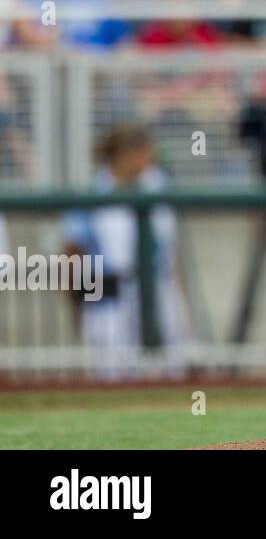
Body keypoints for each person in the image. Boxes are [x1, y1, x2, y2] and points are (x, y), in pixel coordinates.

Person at [61, 124, 190, 380]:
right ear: (124, 154)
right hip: (111, 295)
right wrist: (76, 304)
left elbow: (169, 251)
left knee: (169, 368)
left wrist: (181, 300)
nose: (148, 160)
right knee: (112, 374)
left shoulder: (159, 186)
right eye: (143, 152)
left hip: (158, 288)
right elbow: (73, 253)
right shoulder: (94, 193)